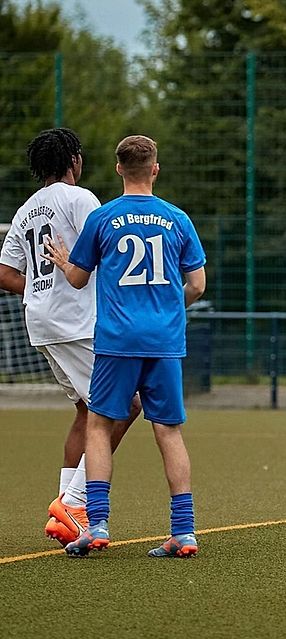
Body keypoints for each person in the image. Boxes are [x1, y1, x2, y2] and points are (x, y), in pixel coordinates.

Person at [45, 135, 207, 557]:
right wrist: (170, 306)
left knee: (99, 424)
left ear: (118, 169)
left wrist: (63, 262)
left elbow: (78, 279)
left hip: (117, 340)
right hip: (166, 341)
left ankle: (95, 524)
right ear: (155, 169)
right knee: (168, 430)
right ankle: (184, 531)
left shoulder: (103, 217)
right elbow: (198, 285)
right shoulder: (178, 218)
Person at [0, 128, 140, 546]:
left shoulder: (26, 210)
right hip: (76, 323)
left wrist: (41, 290)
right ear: (74, 160)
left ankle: (65, 511)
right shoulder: (80, 199)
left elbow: (5, 272)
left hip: (41, 322)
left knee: (86, 410)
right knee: (126, 405)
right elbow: (108, 249)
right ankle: (75, 503)